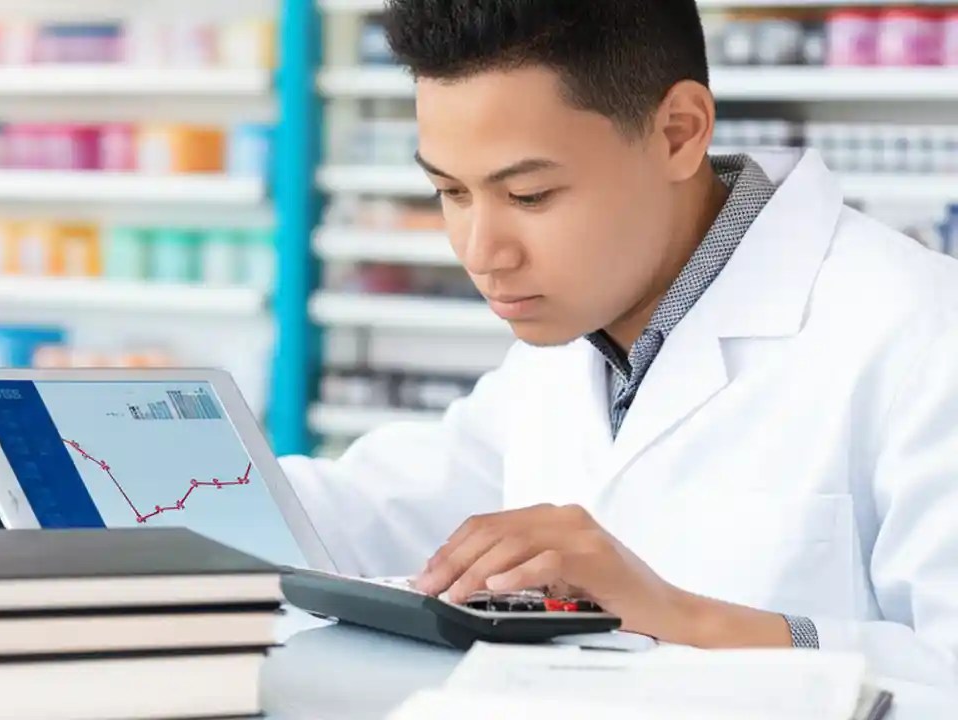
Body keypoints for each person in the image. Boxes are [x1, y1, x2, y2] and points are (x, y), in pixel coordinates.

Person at [279, 0, 958, 687]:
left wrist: (683, 619)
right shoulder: (576, 345)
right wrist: (189, 478)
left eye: (531, 195)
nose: (481, 253)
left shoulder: (921, 333)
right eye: (449, 191)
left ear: (677, 132)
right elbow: (386, 504)